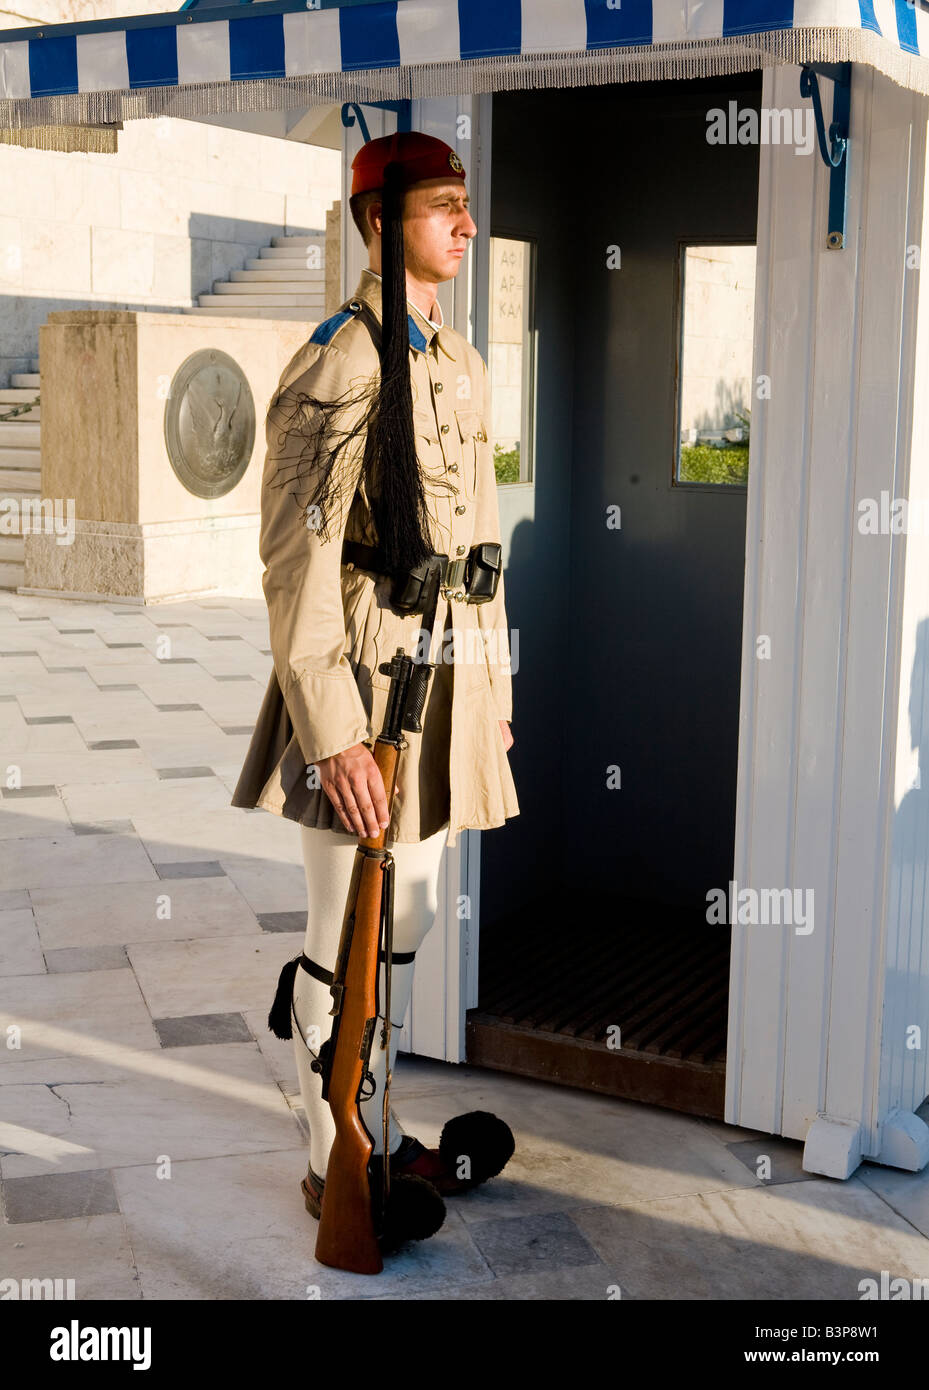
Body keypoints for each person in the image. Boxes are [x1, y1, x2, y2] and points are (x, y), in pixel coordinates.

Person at [232, 130, 519, 1246]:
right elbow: (294, 560)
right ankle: (327, 1153)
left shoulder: (458, 360)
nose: (465, 222)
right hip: (360, 675)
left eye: (465, 202)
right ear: (377, 221)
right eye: (442, 204)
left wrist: (493, 684)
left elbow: (482, 545)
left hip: (448, 675)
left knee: (400, 924)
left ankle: (373, 1109)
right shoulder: (340, 361)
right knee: (340, 923)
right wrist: (335, 737)